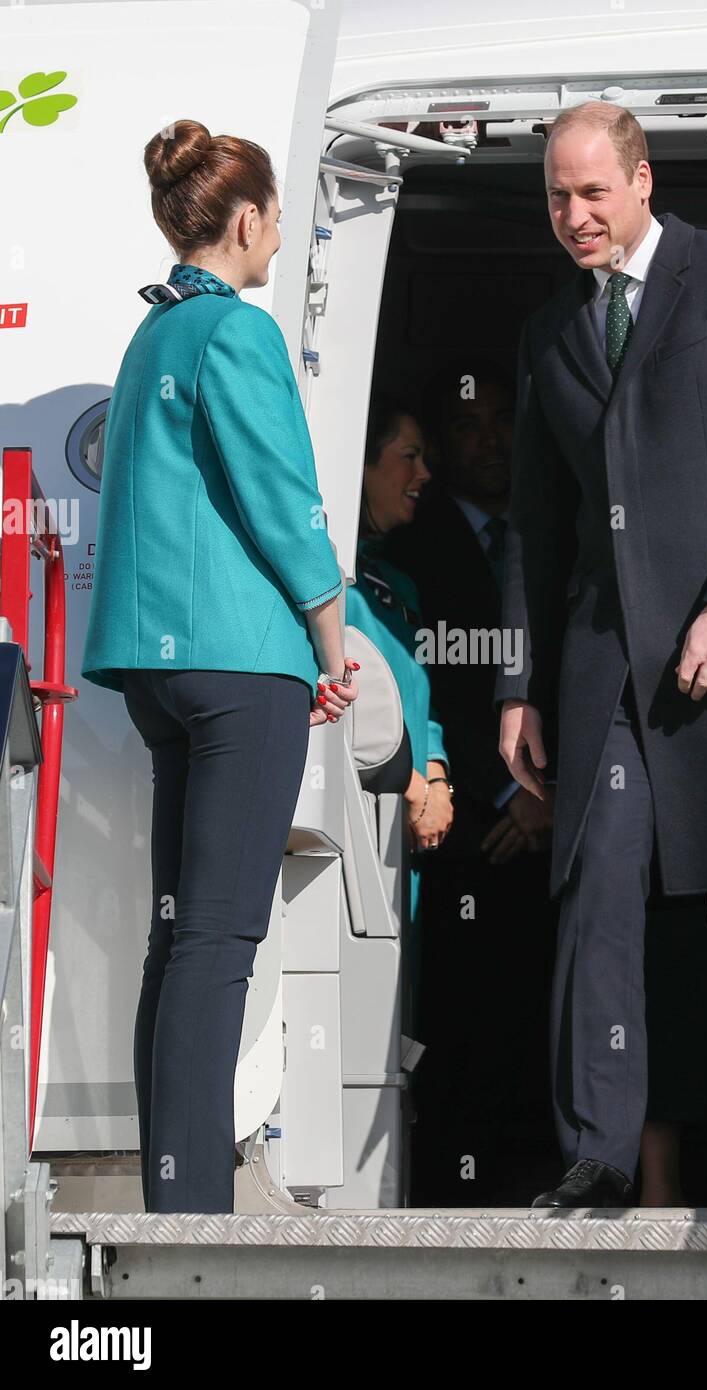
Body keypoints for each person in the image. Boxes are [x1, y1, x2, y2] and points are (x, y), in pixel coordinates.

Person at [495, 101, 707, 1209]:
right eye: (555, 195)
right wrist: (514, 685)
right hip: (603, 667)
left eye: (592, 191)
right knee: (597, 891)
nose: (573, 214)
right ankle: (596, 1152)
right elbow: (532, 524)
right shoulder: (549, 331)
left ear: (642, 180)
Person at [81, 119, 358, 1215]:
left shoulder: (149, 336)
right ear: (244, 221)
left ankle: (175, 1187)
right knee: (220, 936)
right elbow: (283, 499)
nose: (281, 239)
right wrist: (330, 647)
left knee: (178, 936)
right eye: (280, 218)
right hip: (240, 665)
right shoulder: (235, 335)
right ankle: (192, 1204)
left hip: (157, 674)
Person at [384, 360, 558, 1204]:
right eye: (465, 427)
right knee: (461, 1029)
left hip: (565, 825)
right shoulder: (405, 546)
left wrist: (553, 801)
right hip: (459, 833)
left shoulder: (560, 529)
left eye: (501, 421)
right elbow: (430, 685)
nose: (488, 441)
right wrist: (504, 795)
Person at [345, 395, 453, 953]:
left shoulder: (398, 585)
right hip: (361, 820)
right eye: (408, 455)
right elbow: (335, 703)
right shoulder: (329, 581)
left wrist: (435, 779)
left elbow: (423, 699)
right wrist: (411, 787)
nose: (423, 473)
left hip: (409, 820)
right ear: (360, 463)